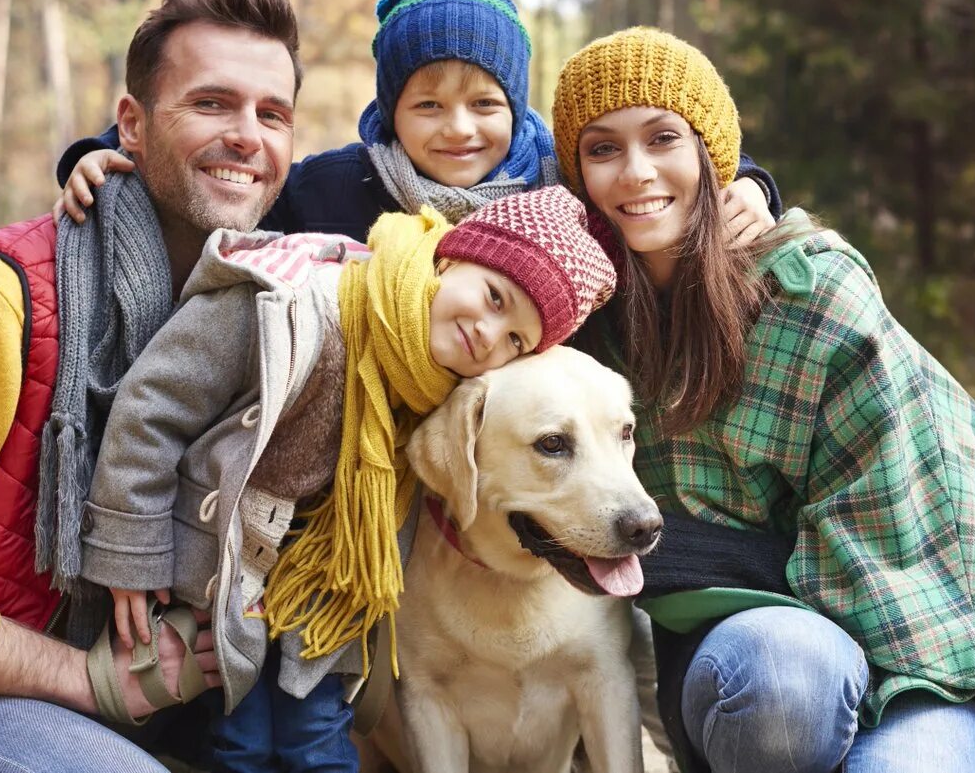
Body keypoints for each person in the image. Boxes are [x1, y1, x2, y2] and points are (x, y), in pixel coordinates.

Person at [0, 0, 306, 772]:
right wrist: (80, 679)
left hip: (142, 702)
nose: (247, 136)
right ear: (133, 125)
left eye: (273, 114)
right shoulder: (0, 296)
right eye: (212, 104)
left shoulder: (272, 309)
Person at [551, 27, 975, 773]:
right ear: (577, 174)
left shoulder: (814, 294)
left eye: (664, 137)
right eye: (602, 149)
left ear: (712, 154)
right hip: (761, 658)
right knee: (784, 673)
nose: (636, 171)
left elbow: (911, 531)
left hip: (922, 664)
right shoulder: (587, 325)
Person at [79, 184, 616, 773]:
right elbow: (151, 408)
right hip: (227, 571)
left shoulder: (440, 388)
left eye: (515, 338)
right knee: (243, 741)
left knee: (319, 741)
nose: (490, 332)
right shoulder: (289, 303)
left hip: (332, 581)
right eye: (493, 296)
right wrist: (130, 551)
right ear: (453, 257)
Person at [55, 0, 782, 247]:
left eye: (485, 103)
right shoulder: (335, 186)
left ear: (516, 104)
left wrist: (749, 181)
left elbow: (654, 170)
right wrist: (93, 153)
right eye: (427, 103)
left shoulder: (559, 176)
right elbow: (220, 184)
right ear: (390, 111)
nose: (459, 128)